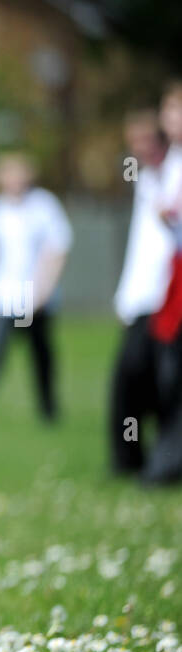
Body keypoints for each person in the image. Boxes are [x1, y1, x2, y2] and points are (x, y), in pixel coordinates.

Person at [0, 152, 72, 421]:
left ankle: (48, 409)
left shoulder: (44, 206)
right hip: (4, 296)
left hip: (36, 296)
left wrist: (44, 290)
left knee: (41, 355)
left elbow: (56, 250)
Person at [109, 109, 174, 477]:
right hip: (141, 298)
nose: (139, 149)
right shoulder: (144, 180)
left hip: (165, 297)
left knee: (154, 378)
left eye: (146, 140)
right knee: (132, 377)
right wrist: (126, 294)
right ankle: (130, 459)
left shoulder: (171, 176)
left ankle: (155, 459)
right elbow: (141, 246)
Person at [138, 81, 182, 484]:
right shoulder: (168, 165)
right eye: (167, 111)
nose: (170, 119)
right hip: (175, 281)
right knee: (167, 374)